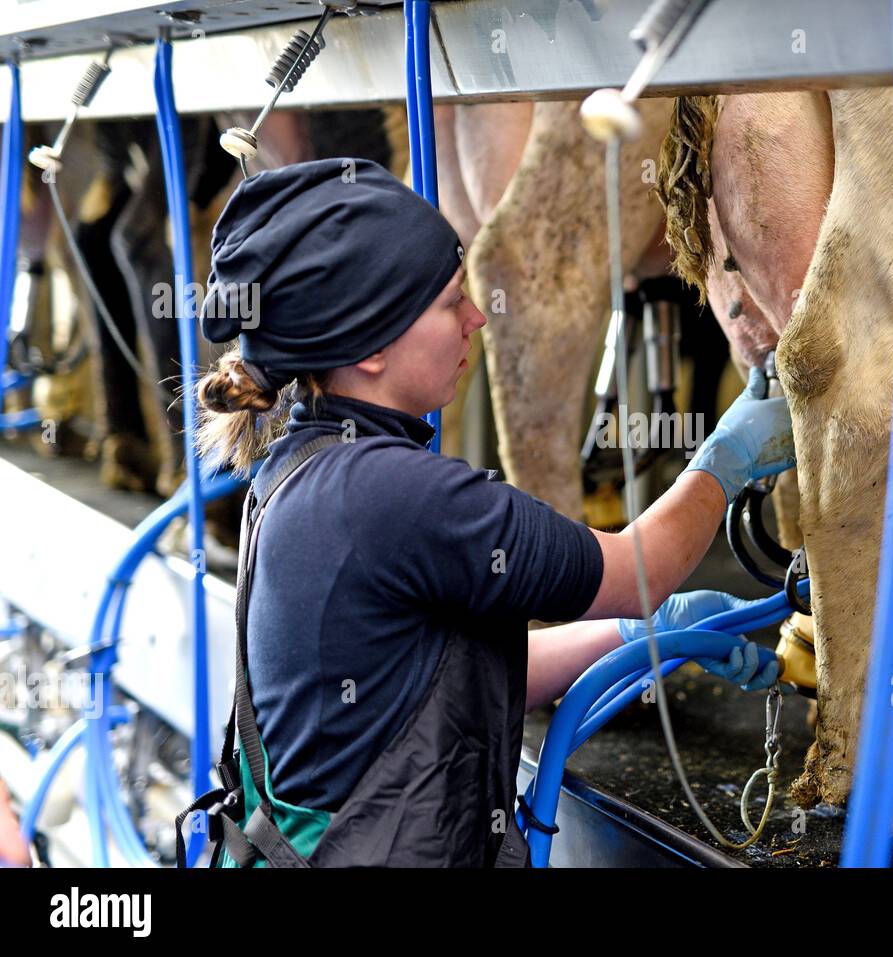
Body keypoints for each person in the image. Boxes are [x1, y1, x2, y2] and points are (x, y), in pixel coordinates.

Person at [188, 158, 794, 868]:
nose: (477, 316)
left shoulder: (300, 466)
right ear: (373, 344)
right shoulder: (397, 494)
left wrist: (635, 634)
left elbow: (440, 683)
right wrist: (723, 462)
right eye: (450, 302)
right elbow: (640, 567)